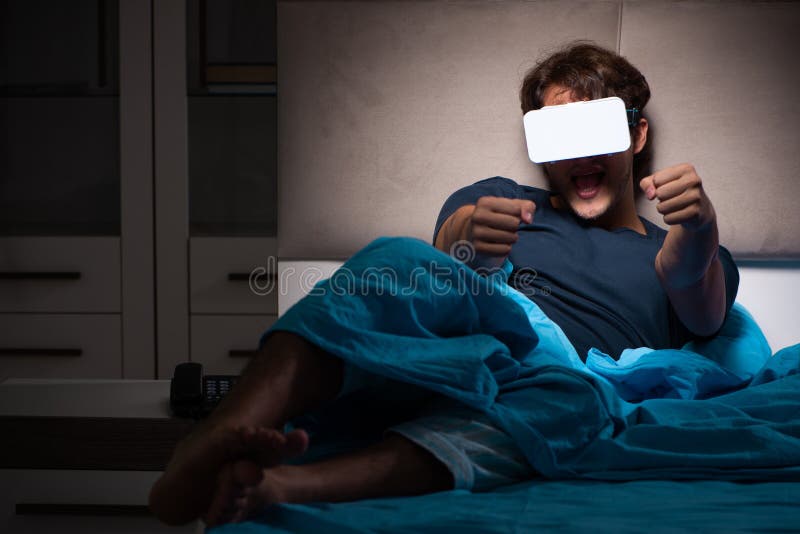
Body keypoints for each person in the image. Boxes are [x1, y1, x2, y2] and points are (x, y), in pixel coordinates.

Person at [148, 41, 738, 527]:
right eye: (560, 134)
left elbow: (705, 312)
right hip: (462, 342)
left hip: (553, 378)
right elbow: (435, 268)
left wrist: (699, 232)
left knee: (576, 404)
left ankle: (277, 488)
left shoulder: (685, 247)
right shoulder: (504, 197)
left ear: (635, 138)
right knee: (394, 257)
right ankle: (216, 438)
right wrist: (467, 240)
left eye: (595, 129)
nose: (580, 153)